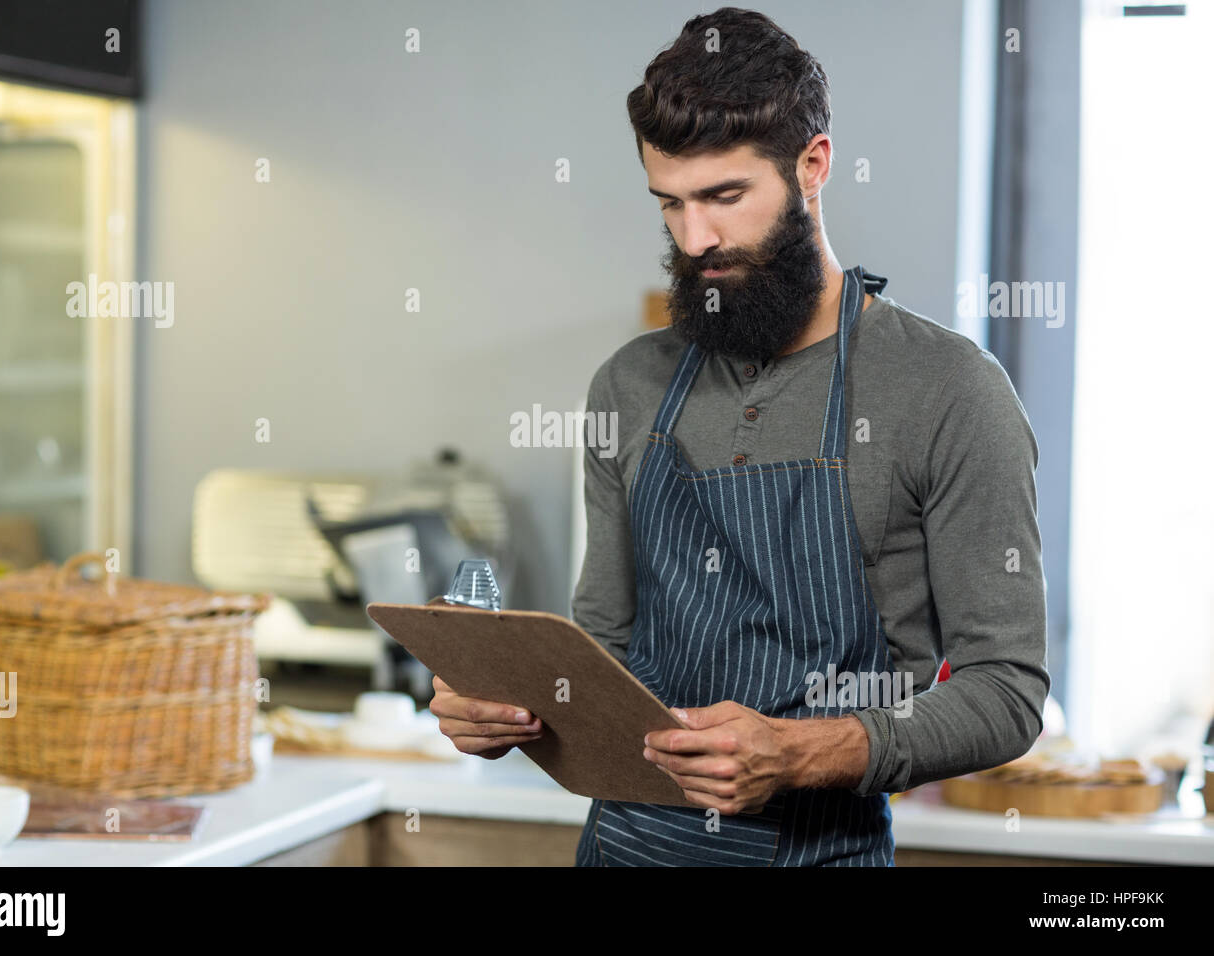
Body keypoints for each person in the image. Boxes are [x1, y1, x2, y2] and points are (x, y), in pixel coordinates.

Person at [431, 6, 1049, 866]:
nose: (696, 240)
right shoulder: (629, 384)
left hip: (818, 852)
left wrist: (802, 752)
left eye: (725, 197)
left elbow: (1007, 691)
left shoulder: (948, 391)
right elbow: (600, 655)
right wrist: (507, 710)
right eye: (670, 205)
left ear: (813, 165)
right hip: (624, 848)